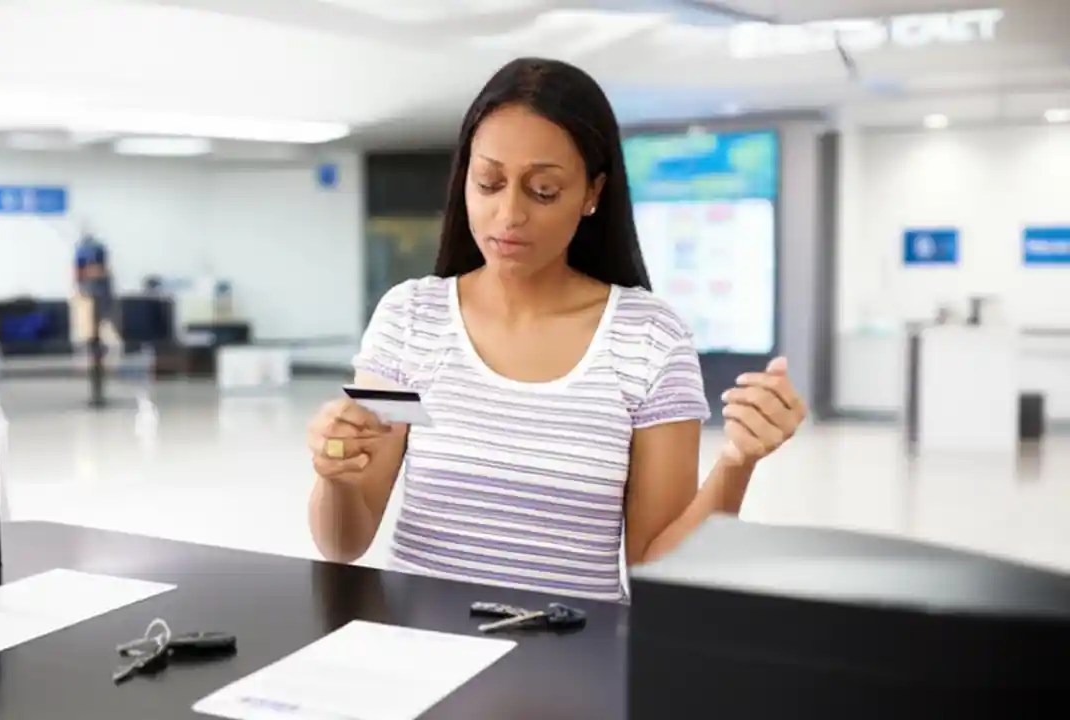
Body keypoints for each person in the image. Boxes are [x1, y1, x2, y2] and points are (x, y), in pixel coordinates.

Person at [307, 58, 807, 602]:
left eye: (543, 190)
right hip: (424, 656)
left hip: (572, 669)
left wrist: (737, 462)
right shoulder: (410, 320)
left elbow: (655, 569)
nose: (508, 214)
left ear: (592, 193)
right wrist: (335, 474)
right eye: (489, 183)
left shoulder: (649, 340)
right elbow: (345, 544)